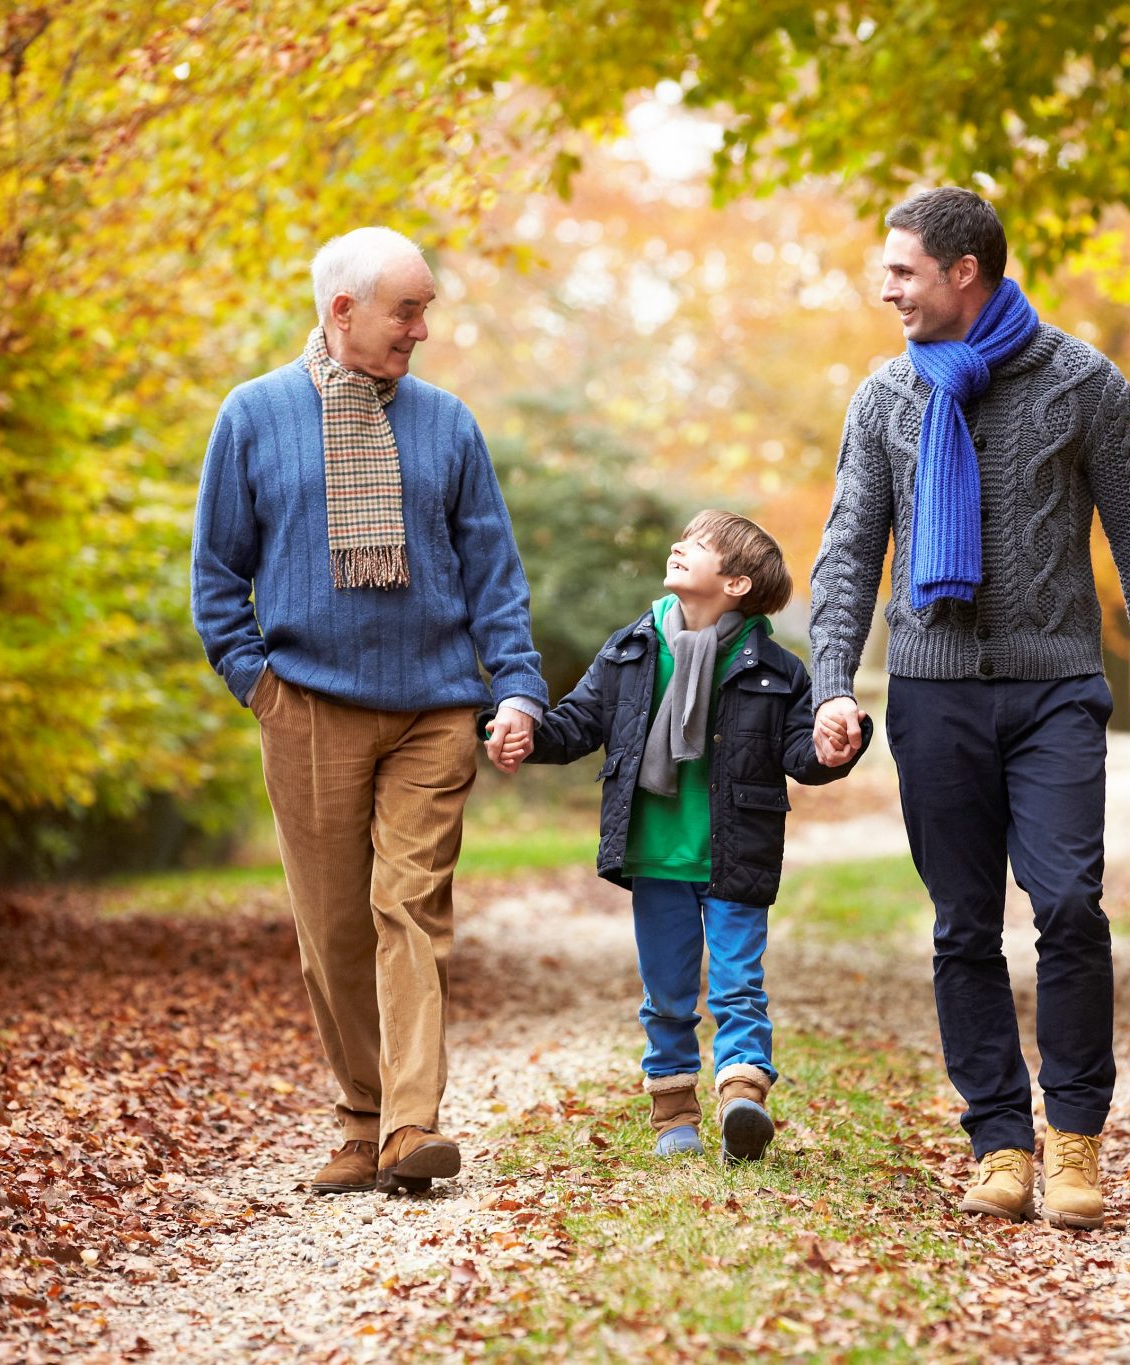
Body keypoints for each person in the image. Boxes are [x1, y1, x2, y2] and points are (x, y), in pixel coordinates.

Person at [808, 187, 1130, 1227]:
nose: (885, 288)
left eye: (902, 271)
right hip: (930, 694)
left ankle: (1073, 1143)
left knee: (1067, 905)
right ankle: (999, 1142)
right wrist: (830, 681)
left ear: (961, 273)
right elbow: (847, 551)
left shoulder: (1079, 382)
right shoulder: (884, 397)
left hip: (1056, 688)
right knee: (961, 926)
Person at [190, 227, 547, 1196]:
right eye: (407, 310)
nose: (423, 330)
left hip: (434, 709)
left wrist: (514, 682)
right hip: (306, 708)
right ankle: (359, 1117)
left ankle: (408, 1127)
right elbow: (217, 575)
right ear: (341, 311)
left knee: (407, 909)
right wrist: (256, 683)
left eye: (426, 309)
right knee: (333, 928)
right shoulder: (254, 417)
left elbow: (493, 577)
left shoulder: (447, 426)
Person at [490, 511, 867, 1162]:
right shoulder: (630, 650)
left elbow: (802, 755)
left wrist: (836, 745)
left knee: (738, 983)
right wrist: (528, 733)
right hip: (655, 852)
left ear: (738, 583)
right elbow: (577, 725)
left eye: (700, 545)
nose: (678, 546)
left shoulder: (777, 669)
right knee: (665, 992)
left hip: (734, 854)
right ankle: (673, 1115)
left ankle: (743, 1095)